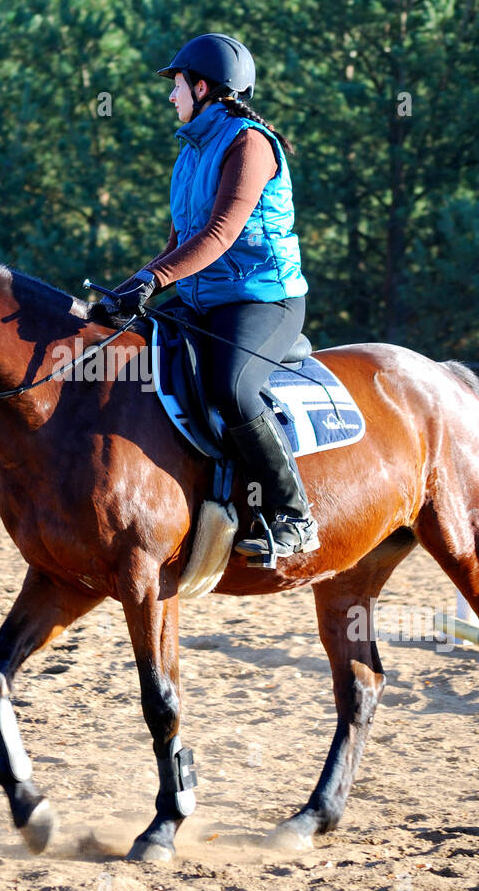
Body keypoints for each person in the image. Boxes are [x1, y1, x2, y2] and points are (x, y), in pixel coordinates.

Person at [90, 32, 319, 565]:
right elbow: (179, 243)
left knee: (230, 386)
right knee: (127, 348)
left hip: (264, 298)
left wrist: (153, 282)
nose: (170, 96)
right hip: (202, 298)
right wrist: (126, 292)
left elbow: (218, 235)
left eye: (175, 86)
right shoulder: (190, 152)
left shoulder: (250, 144)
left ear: (202, 87)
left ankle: (294, 514)